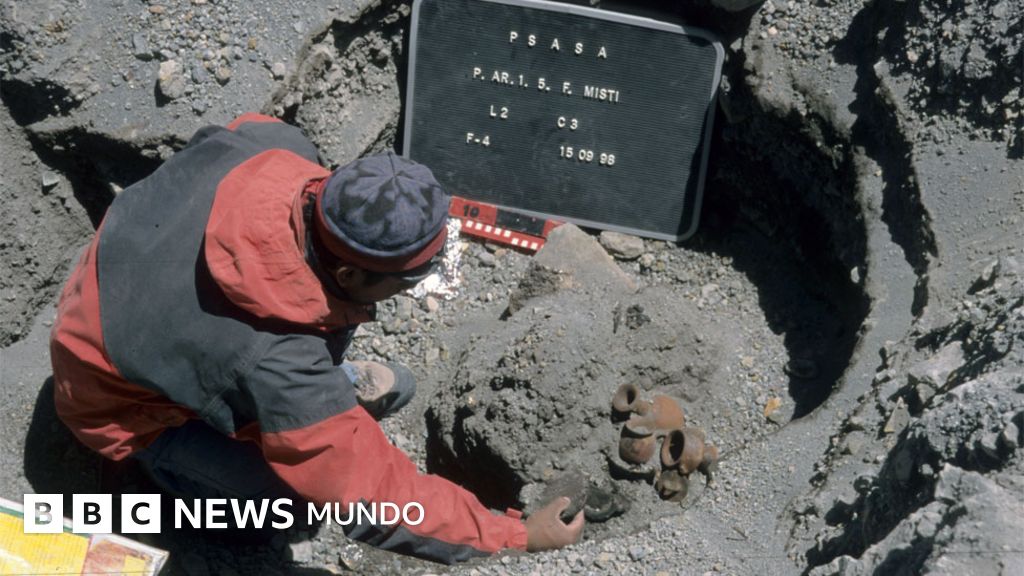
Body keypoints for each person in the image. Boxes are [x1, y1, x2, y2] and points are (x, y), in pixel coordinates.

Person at [49, 113, 584, 563]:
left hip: (117, 294)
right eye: (412, 277)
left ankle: (287, 424)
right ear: (350, 276)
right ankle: (156, 486)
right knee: (298, 506)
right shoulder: (273, 360)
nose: (418, 284)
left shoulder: (275, 147)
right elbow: (367, 502)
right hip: (112, 401)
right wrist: (517, 536)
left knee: (395, 385)